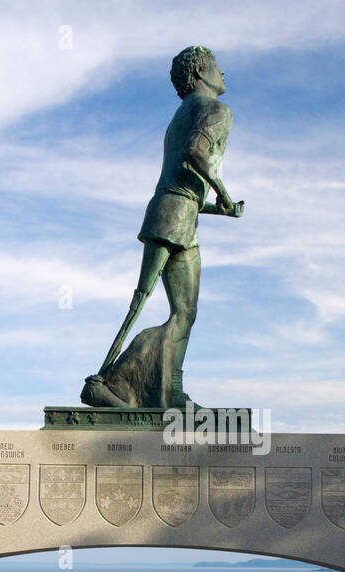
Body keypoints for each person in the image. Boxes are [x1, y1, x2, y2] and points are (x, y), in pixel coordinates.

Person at [83, 46, 243, 409]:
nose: (223, 74)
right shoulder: (217, 110)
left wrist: (222, 210)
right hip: (174, 217)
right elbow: (196, 153)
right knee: (145, 303)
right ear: (201, 71)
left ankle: (170, 391)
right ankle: (107, 381)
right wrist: (225, 194)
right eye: (217, 66)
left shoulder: (180, 115)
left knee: (177, 311)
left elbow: (183, 182)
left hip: (175, 213)